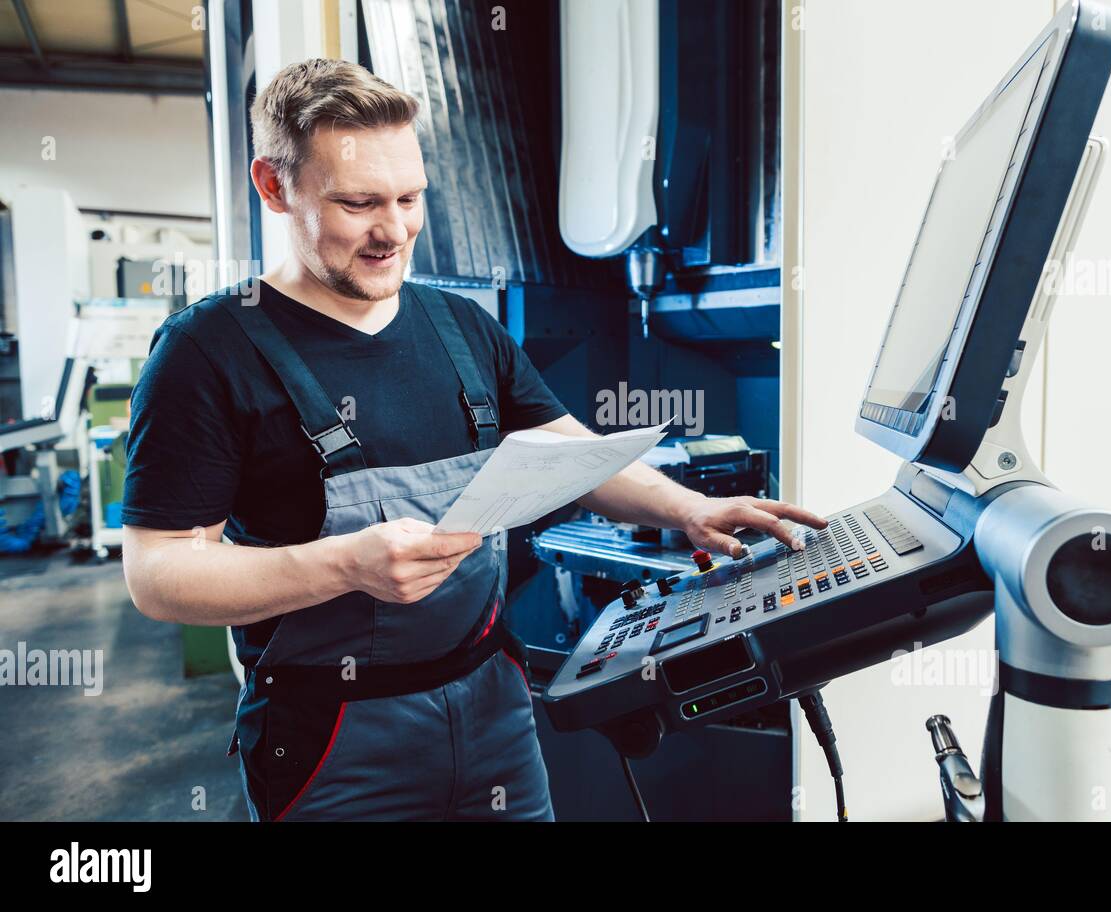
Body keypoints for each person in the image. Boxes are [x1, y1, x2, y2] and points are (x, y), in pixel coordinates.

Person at [121, 58, 825, 821]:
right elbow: (160, 573)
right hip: (333, 740)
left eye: (410, 197)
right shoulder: (207, 351)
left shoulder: (461, 330)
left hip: (495, 715)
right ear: (273, 185)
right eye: (359, 203)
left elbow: (568, 456)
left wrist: (687, 509)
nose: (393, 230)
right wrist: (345, 566)